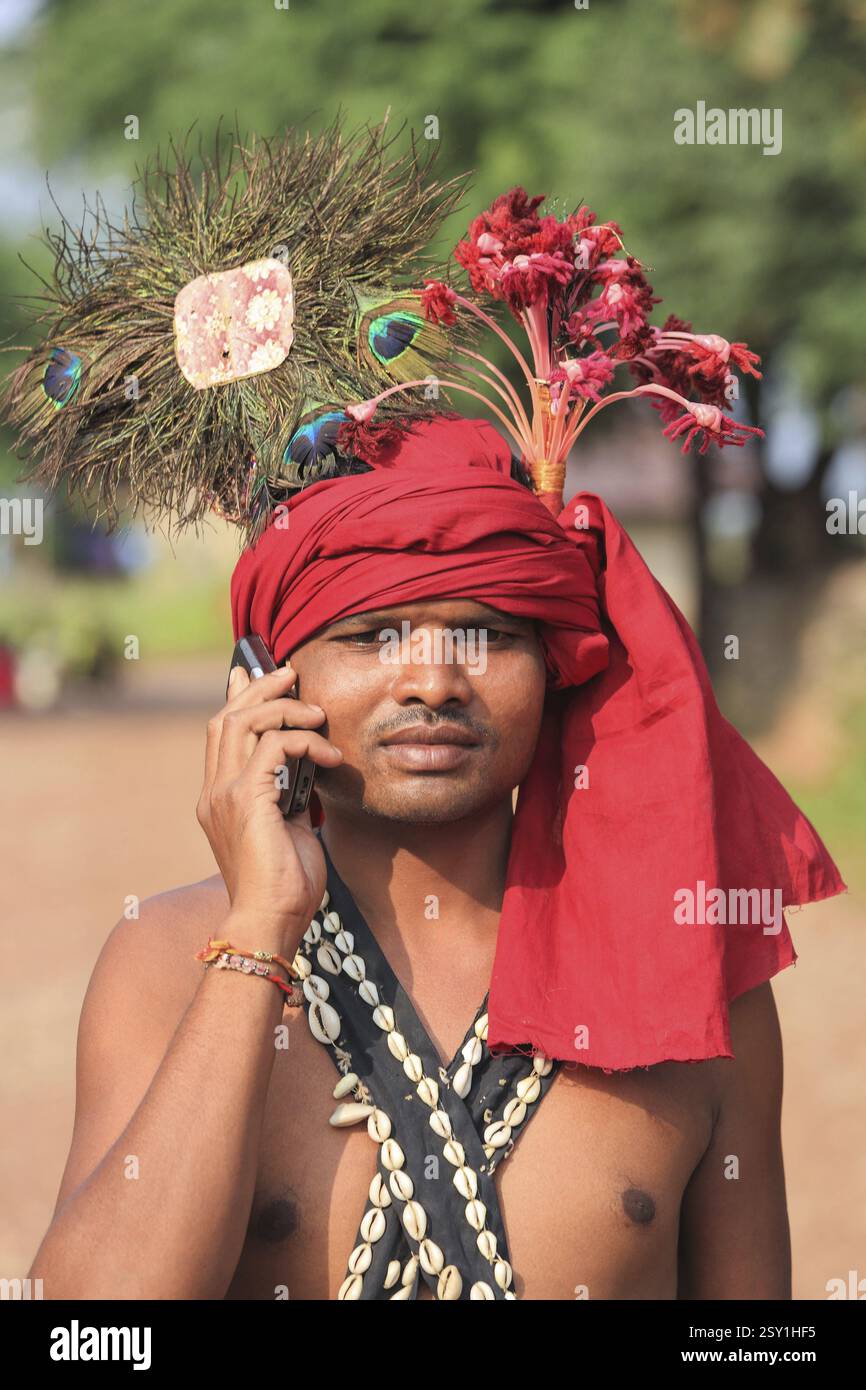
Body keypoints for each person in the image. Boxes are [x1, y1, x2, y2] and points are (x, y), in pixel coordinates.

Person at [7, 119, 843, 1300]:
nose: (434, 677)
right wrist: (257, 937)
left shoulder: (691, 973)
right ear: (266, 679)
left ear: (556, 663)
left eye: (491, 635)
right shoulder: (164, 962)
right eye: (371, 635)